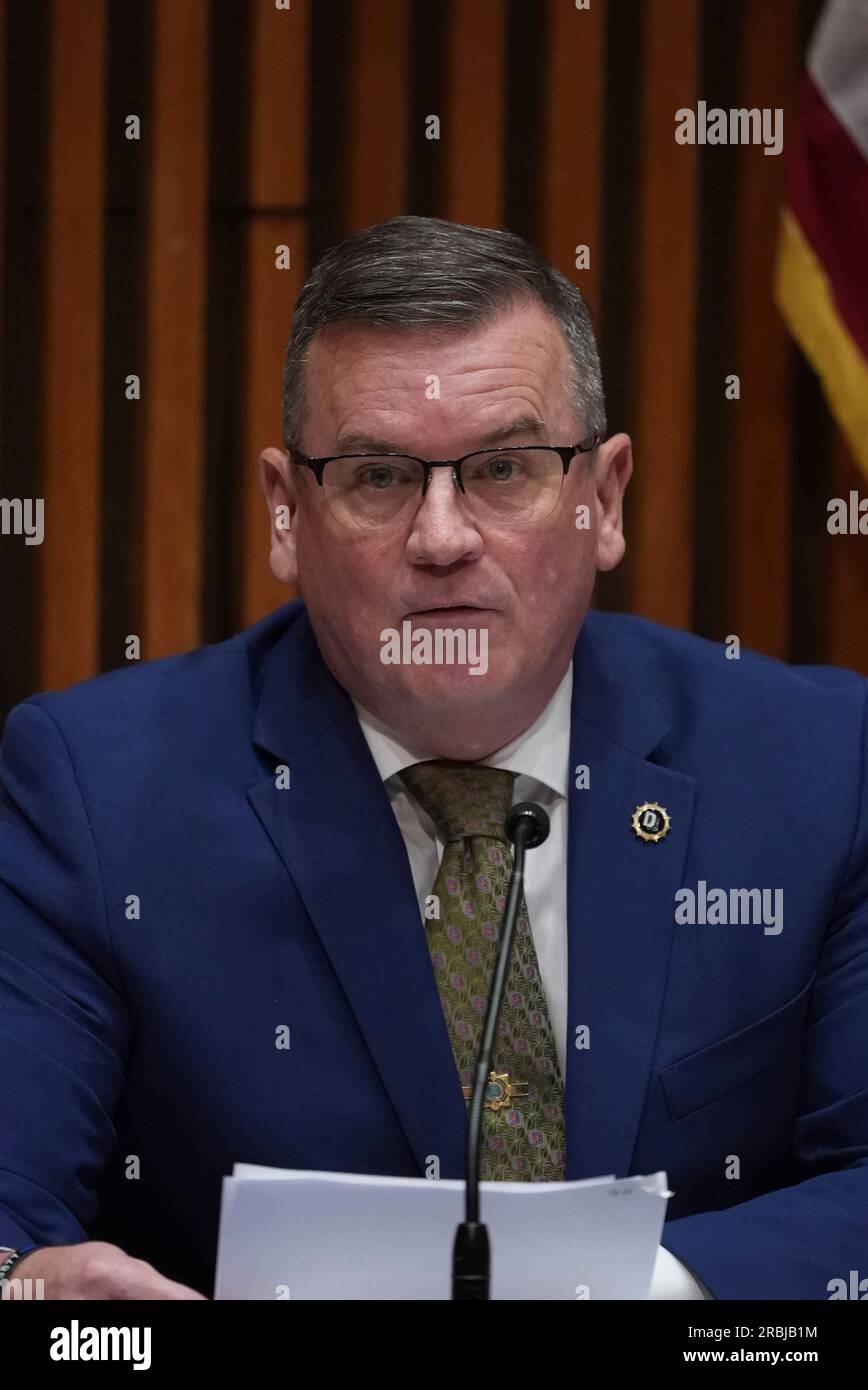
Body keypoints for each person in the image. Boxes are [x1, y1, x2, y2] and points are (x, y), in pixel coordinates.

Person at [1, 216, 866, 1301]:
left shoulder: (819, 771)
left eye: (503, 469)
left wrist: (622, 1298)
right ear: (286, 512)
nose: (442, 537)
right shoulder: (95, 790)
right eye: (376, 476)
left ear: (604, 499)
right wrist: (29, 1280)